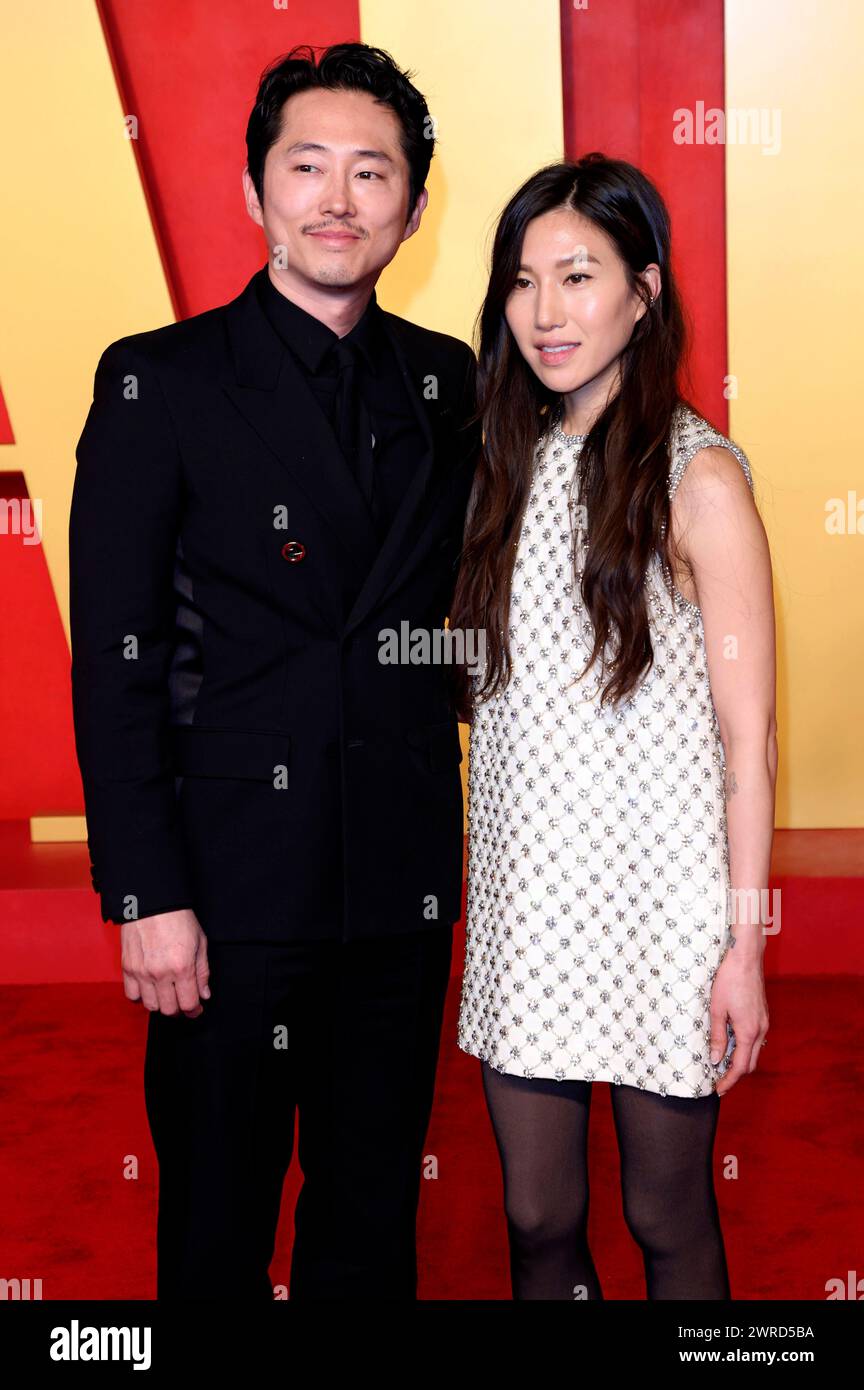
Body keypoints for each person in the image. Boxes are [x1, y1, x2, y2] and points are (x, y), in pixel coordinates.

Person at [69, 42, 480, 1300]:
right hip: (228, 891)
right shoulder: (163, 380)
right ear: (255, 192)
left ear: (413, 207)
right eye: (307, 167)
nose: (338, 199)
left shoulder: (446, 383)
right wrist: (145, 896)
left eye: (373, 172)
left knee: (368, 1230)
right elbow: (115, 660)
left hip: (393, 889)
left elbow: (452, 625)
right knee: (214, 1229)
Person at [449, 154, 775, 1300]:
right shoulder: (498, 464)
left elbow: (750, 745)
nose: (545, 311)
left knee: (664, 1211)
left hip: (663, 910)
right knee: (538, 1215)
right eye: (524, 281)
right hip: (529, 901)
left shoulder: (700, 479)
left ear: (644, 290)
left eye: (578, 276)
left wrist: (744, 949)